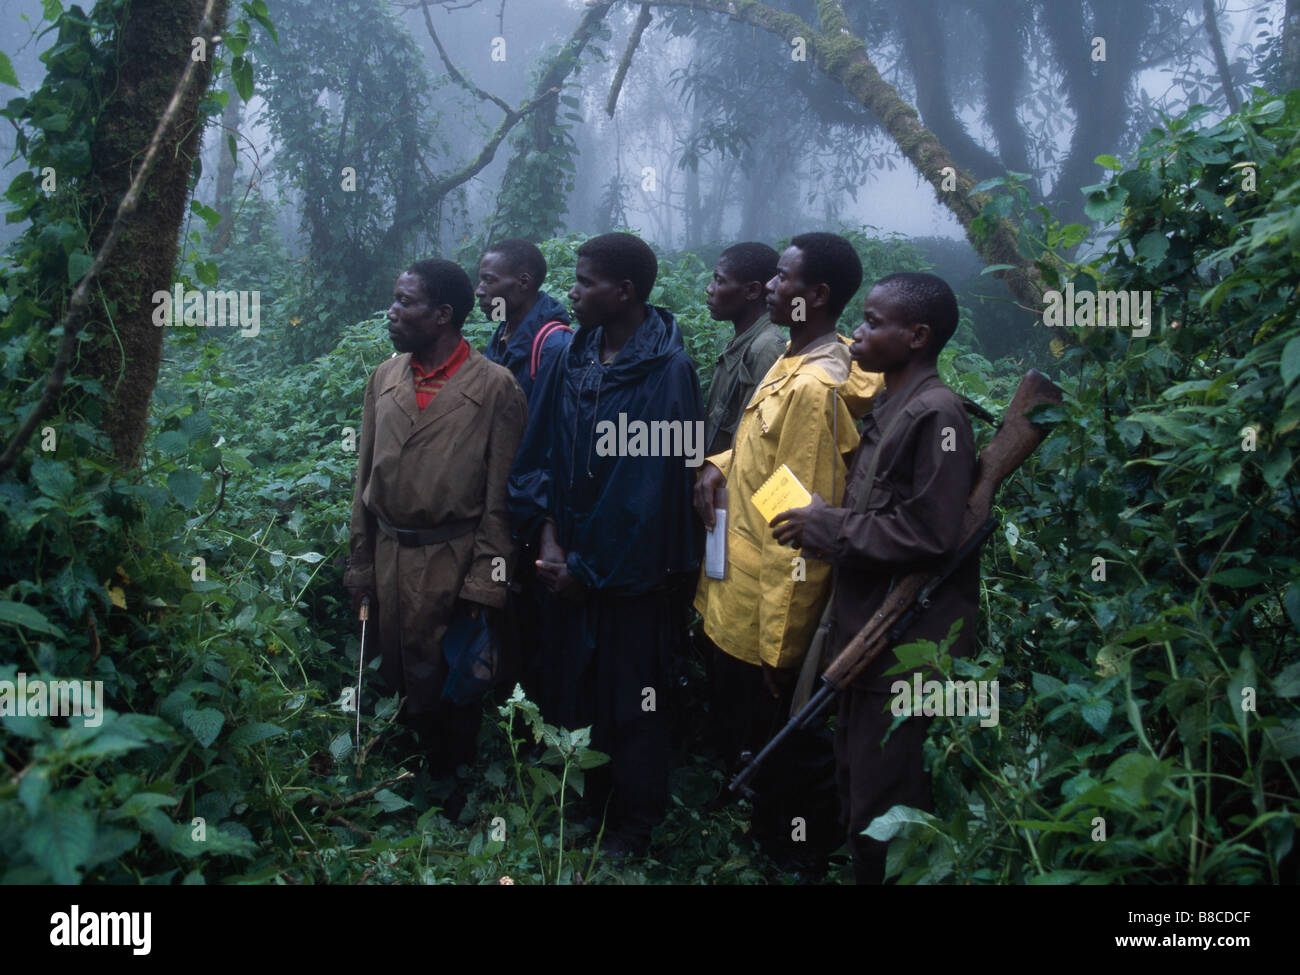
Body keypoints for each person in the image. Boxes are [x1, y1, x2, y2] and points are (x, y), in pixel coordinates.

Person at [770, 271, 978, 884]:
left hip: (906, 647)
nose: (857, 333)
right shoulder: (892, 403)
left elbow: (932, 535)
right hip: (867, 630)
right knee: (854, 778)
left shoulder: (937, 413)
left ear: (916, 336)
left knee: (885, 800)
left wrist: (828, 528)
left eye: (873, 322)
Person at [508, 232, 703, 857]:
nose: (572, 290)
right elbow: (538, 451)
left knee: (635, 700)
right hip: (565, 559)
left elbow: (650, 493)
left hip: (633, 577)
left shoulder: (669, 372)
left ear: (624, 291)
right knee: (572, 690)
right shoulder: (576, 353)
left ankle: (634, 824)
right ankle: (586, 805)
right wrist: (548, 537)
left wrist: (589, 569)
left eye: (585, 280)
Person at [693, 232, 882, 873]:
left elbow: (802, 526)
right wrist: (718, 465)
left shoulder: (817, 388)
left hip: (764, 615)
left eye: (781, 277)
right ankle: (768, 833)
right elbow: (765, 463)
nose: (770, 287)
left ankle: (796, 856)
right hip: (735, 591)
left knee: (786, 747)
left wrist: (785, 648)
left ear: (817, 295)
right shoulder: (791, 358)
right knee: (749, 734)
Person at [344, 259, 528, 776]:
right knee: (395, 665)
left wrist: (485, 581)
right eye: (394, 300)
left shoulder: (496, 387)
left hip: (454, 556)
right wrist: (360, 564)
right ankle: (400, 774)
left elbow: (500, 498)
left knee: (454, 676)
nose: (392, 312)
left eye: (405, 302)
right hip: (387, 553)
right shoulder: (384, 376)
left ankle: (453, 784)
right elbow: (363, 480)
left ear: (443, 314)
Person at [701, 242, 787, 456]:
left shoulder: (765, 349)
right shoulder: (741, 342)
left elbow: (755, 444)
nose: (709, 288)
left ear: (752, 290)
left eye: (719, 280)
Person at [476, 238, 572, 402]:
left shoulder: (555, 346)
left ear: (523, 282)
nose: (479, 291)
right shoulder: (503, 332)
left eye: (489, 280)